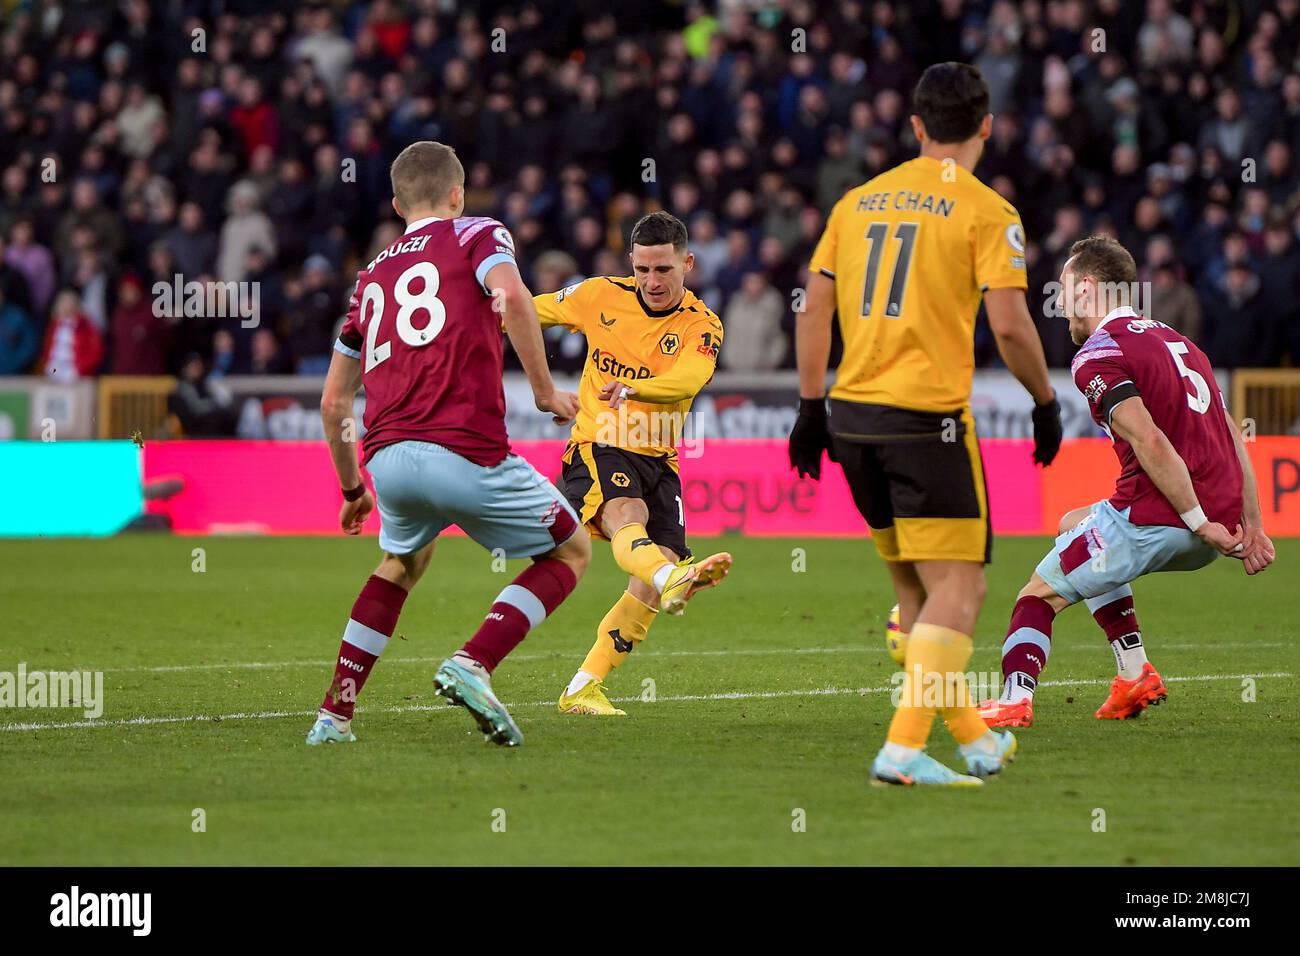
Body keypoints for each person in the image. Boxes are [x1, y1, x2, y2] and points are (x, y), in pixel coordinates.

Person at [789, 63, 1063, 787]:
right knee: (962, 590)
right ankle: (903, 748)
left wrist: (810, 408)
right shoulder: (987, 211)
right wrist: (1045, 401)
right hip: (926, 420)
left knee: (916, 595)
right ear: (986, 127)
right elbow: (1009, 326)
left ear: (914, 127)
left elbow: (814, 308)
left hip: (850, 417)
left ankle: (975, 743)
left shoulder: (856, 203)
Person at [309, 141, 589, 748]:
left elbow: (333, 403)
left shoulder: (370, 277)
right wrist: (544, 392)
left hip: (387, 460)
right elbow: (513, 297)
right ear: (458, 194)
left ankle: (333, 717)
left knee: (403, 562)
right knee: (571, 551)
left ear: (395, 203)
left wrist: (353, 490)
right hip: (463, 446)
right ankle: (473, 662)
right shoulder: (476, 233)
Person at [979, 236, 1274, 728]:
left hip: (1167, 519)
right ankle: (1134, 671)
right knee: (1073, 525)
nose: (1060, 305)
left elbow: (1150, 442)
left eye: (1065, 290)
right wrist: (1253, 525)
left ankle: (1013, 698)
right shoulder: (1183, 344)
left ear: (1089, 289)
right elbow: (1232, 438)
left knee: (1036, 596)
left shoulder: (1098, 354)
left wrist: (1198, 523)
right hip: (1219, 524)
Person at [533, 211, 732, 717]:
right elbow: (524, 310)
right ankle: (675, 579)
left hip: (660, 460)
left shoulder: (701, 324)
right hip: (599, 443)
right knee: (627, 516)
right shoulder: (599, 295)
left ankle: (583, 687)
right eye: (643, 269)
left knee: (648, 576)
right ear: (631, 263)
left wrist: (636, 387)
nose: (652, 281)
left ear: (687, 263)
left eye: (663, 269)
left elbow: (687, 381)